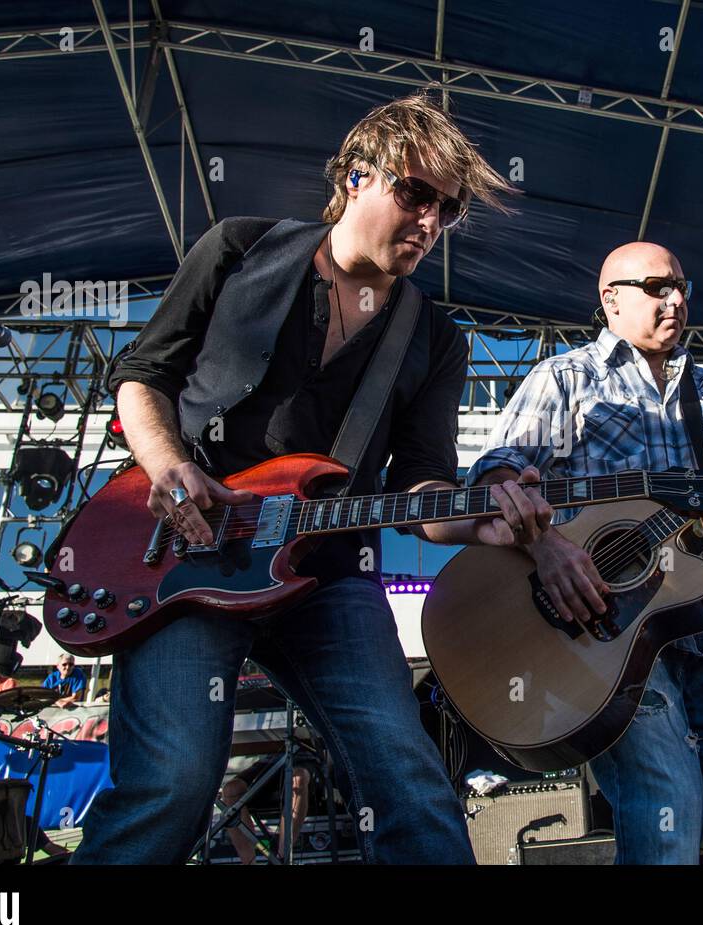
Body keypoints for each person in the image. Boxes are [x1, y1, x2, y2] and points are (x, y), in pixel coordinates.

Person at [74, 92, 519, 865]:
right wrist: (170, 467)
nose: (430, 223)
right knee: (169, 787)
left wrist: (474, 521)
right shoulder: (240, 247)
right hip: (184, 554)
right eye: (416, 195)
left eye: (447, 211)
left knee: (410, 781)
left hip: (329, 576)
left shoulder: (435, 337)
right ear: (355, 177)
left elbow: (420, 488)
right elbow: (143, 375)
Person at [468, 241, 703, 864]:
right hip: (610, 644)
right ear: (610, 300)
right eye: (656, 286)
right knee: (667, 812)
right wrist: (548, 547)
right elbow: (496, 478)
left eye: (681, 286)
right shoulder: (566, 377)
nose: (674, 298)